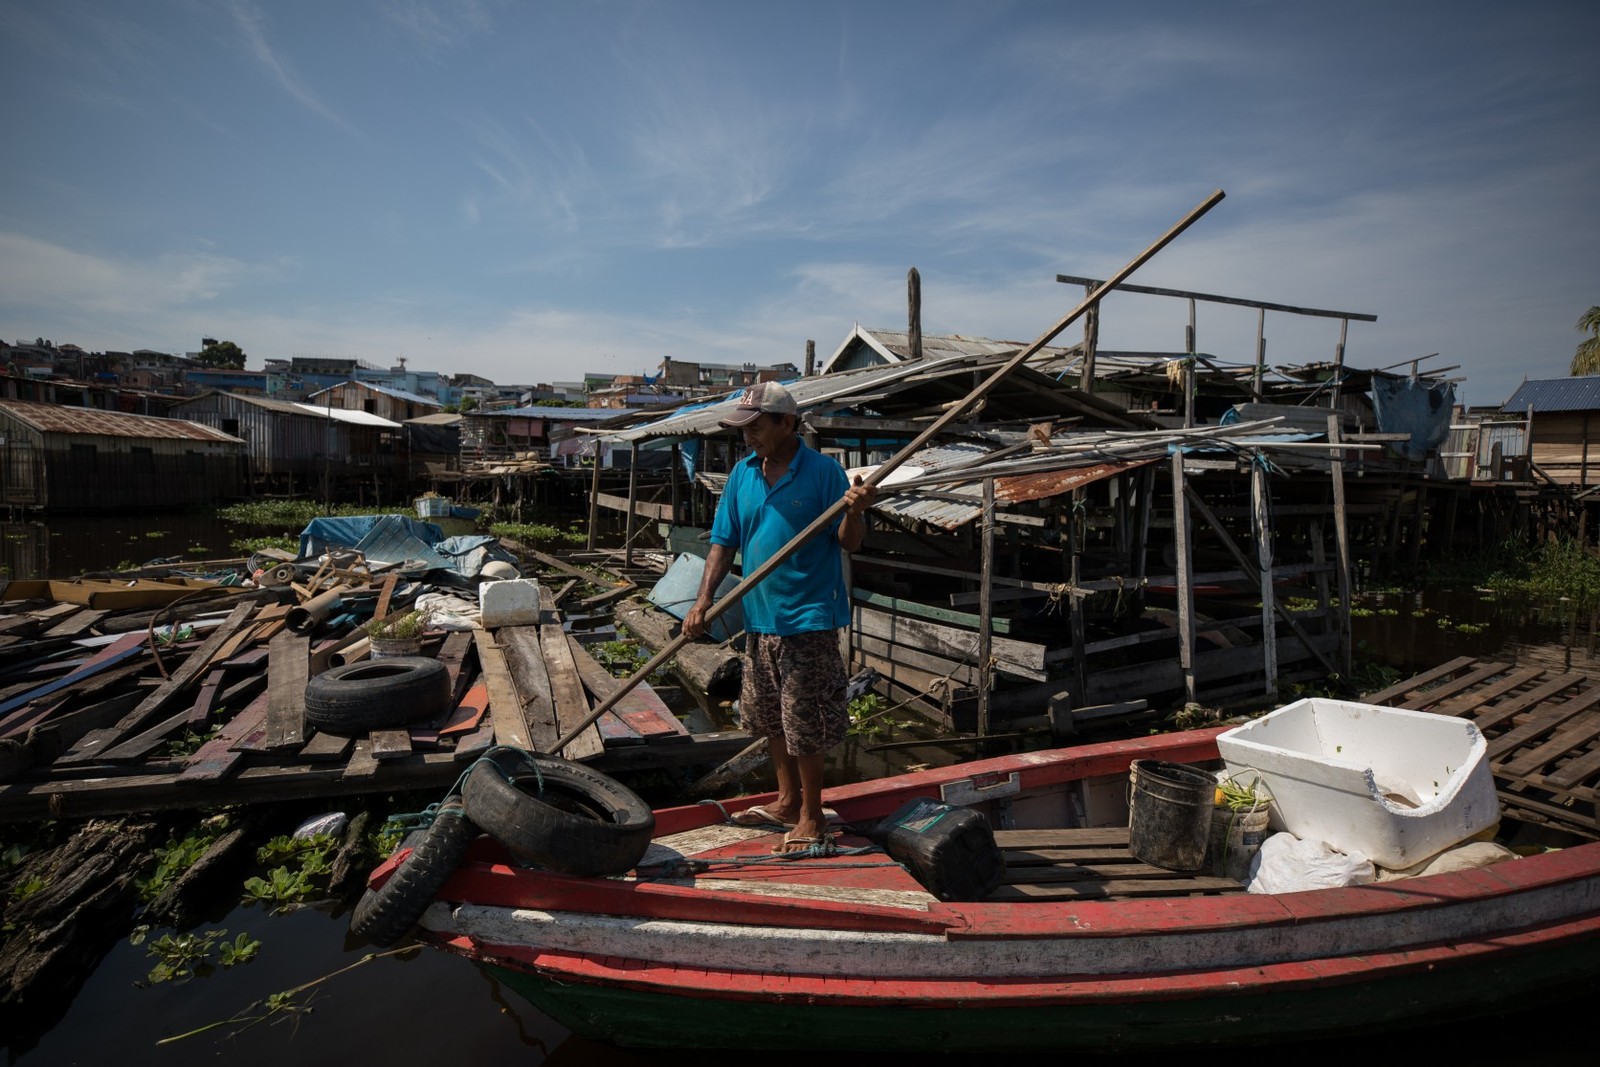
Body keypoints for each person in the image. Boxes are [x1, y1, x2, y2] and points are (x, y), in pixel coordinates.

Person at [682, 381, 877, 854]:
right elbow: (722, 543)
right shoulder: (742, 474)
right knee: (770, 717)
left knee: (804, 720)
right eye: (743, 429)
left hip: (807, 616)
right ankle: (787, 801)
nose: (747, 437)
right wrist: (703, 600)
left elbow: (849, 542)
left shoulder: (823, 472)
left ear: (787, 423)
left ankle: (813, 815)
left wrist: (856, 512)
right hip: (760, 616)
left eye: (756, 427)